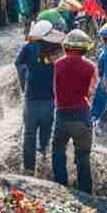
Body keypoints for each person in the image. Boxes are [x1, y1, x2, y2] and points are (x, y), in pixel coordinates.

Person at [16, 20, 64, 175]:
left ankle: (29, 168)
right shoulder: (56, 50)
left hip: (31, 98)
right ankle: (43, 154)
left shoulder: (29, 48)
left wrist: (25, 79)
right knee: (46, 129)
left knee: (29, 134)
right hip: (50, 98)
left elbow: (18, 64)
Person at [53, 29, 98, 193]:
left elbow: (55, 88)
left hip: (62, 115)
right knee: (83, 156)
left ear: (66, 47)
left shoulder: (57, 64)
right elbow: (92, 91)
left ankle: (60, 188)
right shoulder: (91, 67)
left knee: (58, 151)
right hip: (82, 115)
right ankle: (86, 192)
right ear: (85, 48)